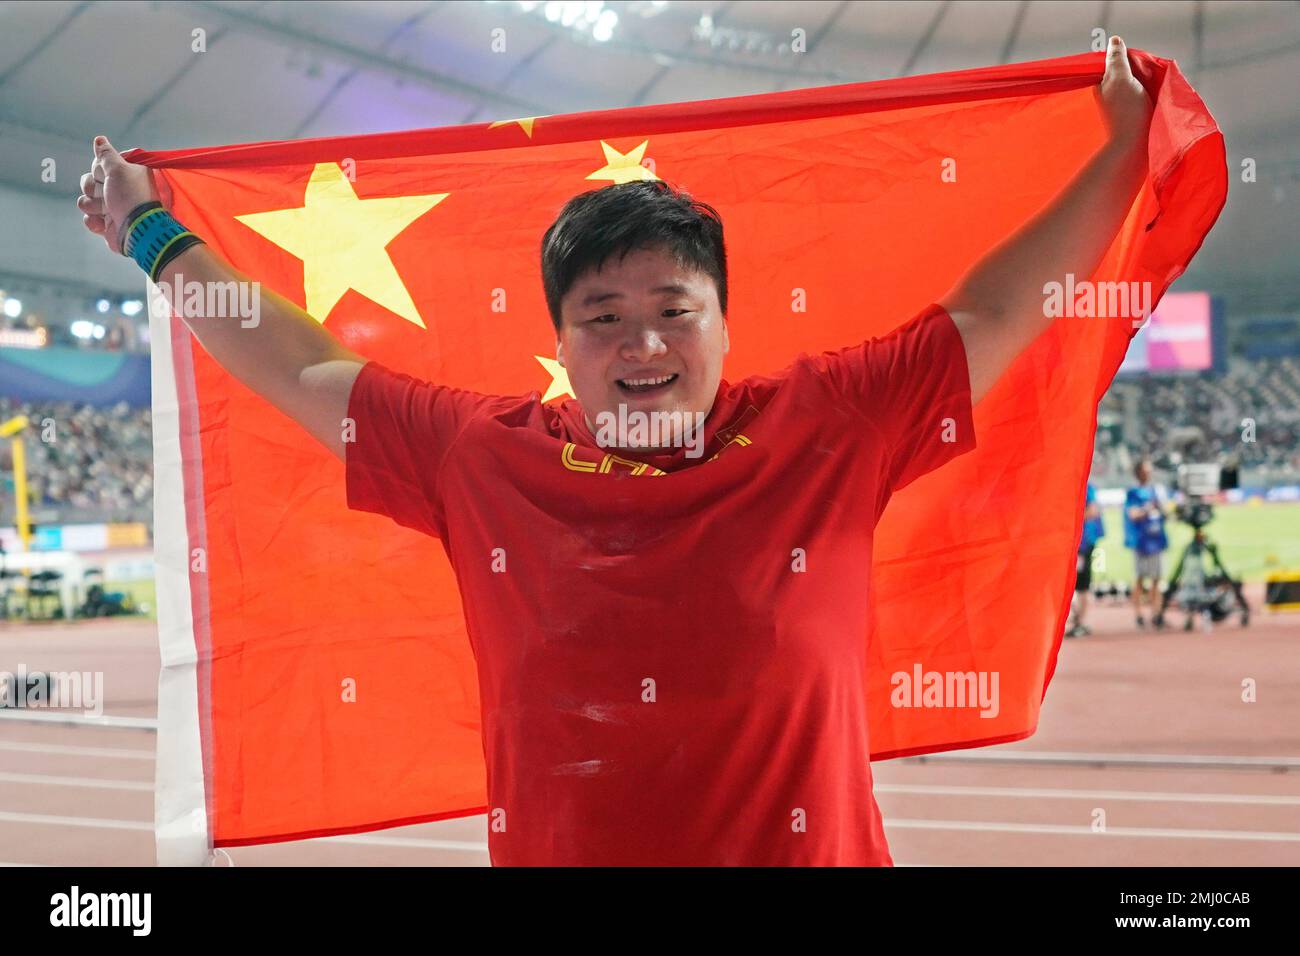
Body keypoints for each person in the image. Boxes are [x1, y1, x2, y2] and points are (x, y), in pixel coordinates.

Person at [77, 38, 1153, 865]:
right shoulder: (479, 457)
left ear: (727, 323)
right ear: (557, 342)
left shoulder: (828, 426)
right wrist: (152, 236)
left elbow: (999, 310)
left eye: (674, 309)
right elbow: (300, 366)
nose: (642, 344)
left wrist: (1122, 153)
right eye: (601, 316)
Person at [1124, 457, 1169, 629]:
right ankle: (1138, 614)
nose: (1149, 472)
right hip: (1141, 541)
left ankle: (1156, 613)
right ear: (1139, 472)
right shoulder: (1133, 492)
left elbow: (1164, 513)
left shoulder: (1157, 491)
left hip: (1156, 539)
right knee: (1140, 578)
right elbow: (1133, 514)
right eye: (1146, 469)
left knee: (1157, 578)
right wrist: (1148, 508)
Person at [1067, 481, 1105, 638]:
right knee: (1074, 584)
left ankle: (1080, 621)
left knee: (1080, 584)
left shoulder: (1086, 487)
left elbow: (1093, 512)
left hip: (1082, 543)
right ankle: (1078, 619)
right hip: (1077, 542)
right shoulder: (1084, 486)